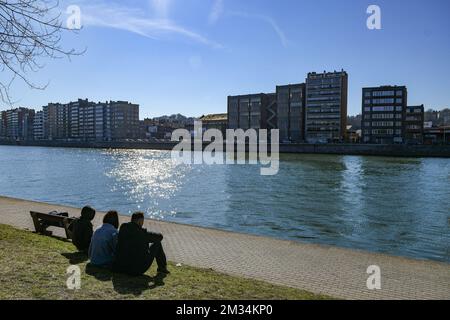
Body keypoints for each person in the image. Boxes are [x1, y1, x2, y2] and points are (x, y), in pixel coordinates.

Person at [113, 212, 169, 276]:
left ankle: (162, 268)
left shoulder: (123, 228)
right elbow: (160, 237)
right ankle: (162, 268)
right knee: (157, 243)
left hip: (120, 267)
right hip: (136, 270)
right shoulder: (141, 233)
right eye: (142, 221)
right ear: (140, 221)